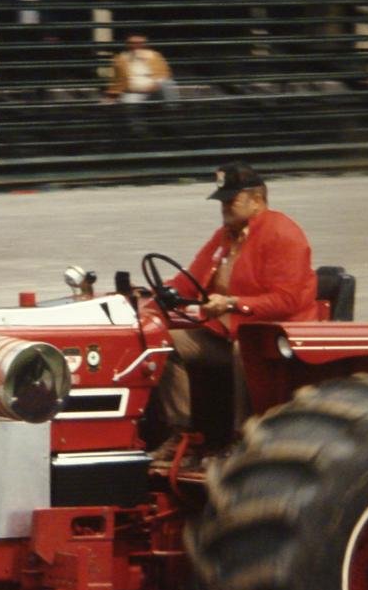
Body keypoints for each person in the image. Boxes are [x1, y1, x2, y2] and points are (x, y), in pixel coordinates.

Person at [151, 161, 319, 469]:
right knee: (162, 343)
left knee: (246, 347)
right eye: (222, 200)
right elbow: (190, 280)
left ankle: (241, 438)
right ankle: (184, 434)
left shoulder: (283, 234)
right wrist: (153, 295)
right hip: (226, 333)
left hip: (273, 339)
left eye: (231, 199)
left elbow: (287, 300)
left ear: (257, 199)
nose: (224, 206)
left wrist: (233, 303)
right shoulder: (225, 236)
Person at [104, 34, 179, 104]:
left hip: (154, 89)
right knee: (129, 103)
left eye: (139, 43)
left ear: (145, 44)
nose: (136, 46)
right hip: (134, 92)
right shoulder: (121, 58)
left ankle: (173, 108)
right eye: (132, 43)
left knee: (167, 83)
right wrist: (112, 95)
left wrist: (154, 85)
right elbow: (118, 79)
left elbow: (165, 73)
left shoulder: (154, 56)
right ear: (127, 45)